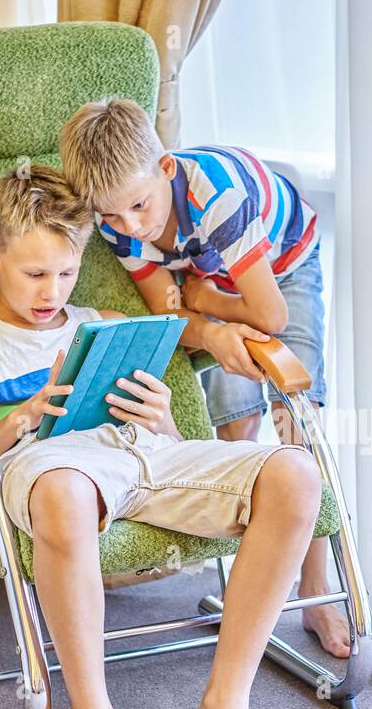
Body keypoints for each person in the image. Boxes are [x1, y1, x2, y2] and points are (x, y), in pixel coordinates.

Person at [0, 166, 321, 709]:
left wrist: (159, 413)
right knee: (66, 492)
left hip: (140, 457)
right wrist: (17, 421)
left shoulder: (101, 323)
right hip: (50, 469)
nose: (52, 293)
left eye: (66, 273)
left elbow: (162, 441)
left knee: (295, 474)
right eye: (33, 274)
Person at [58, 97, 351, 659]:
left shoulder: (217, 198)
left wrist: (208, 301)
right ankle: (249, 587)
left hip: (280, 271)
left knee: (297, 417)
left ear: (165, 168)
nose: (131, 227)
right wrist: (210, 327)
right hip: (210, 280)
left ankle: (317, 588)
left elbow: (270, 317)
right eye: (113, 216)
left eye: (141, 206)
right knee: (235, 430)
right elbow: (167, 313)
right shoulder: (116, 218)